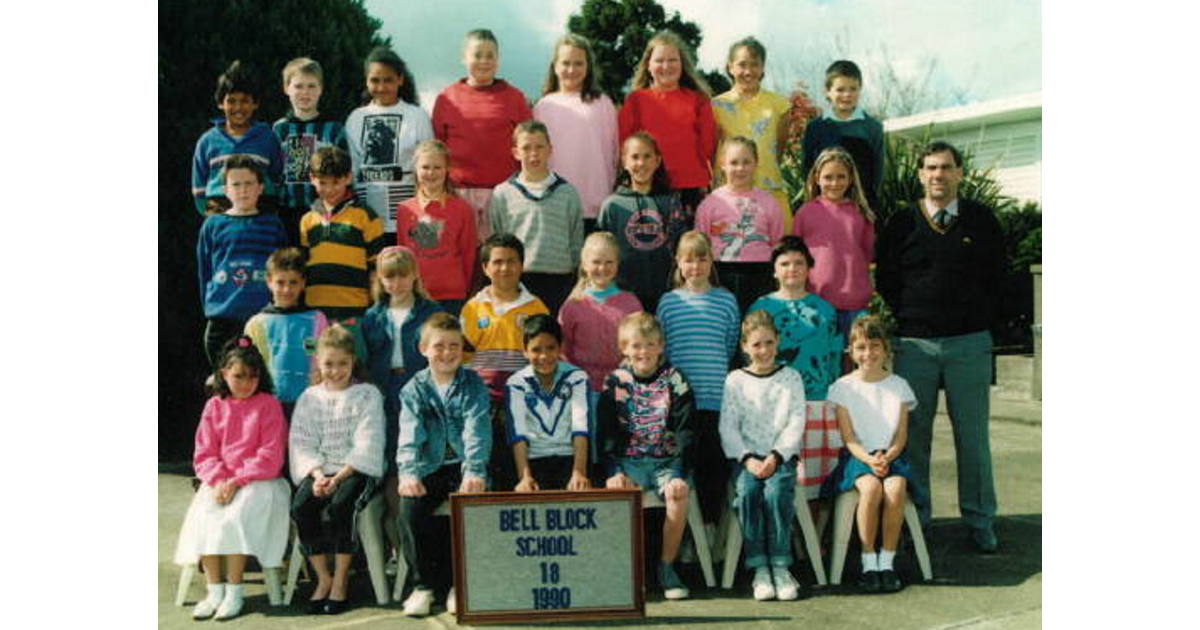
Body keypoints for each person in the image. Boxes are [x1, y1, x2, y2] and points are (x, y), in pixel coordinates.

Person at [875, 141, 1004, 553]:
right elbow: (888, 282)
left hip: (969, 344)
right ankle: (919, 517)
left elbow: (1000, 279)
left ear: (960, 173)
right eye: (931, 168)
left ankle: (980, 519)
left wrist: (981, 323)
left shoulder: (982, 221)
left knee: (973, 439)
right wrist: (914, 318)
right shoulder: (900, 224)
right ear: (920, 174)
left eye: (946, 167)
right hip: (915, 345)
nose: (938, 175)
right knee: (914, 438)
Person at [174, 337, 290, 621]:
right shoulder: (215, 406)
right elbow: (204, 452)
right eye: (238, 376)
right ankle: (214, 590)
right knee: (205, 514)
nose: (246, 382)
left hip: (261, 481)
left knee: (235, 517)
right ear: (223, 374)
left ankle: (234, 590)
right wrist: (219, 480)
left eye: (253, 376)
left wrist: (236, 481)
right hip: (219, 481)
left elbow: (270, 455)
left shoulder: (268, 405)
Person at [395, 313, 492, 617]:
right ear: (423, 349)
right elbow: (409, 434)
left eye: (454, 346)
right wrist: (409, 473)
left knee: (470, 510)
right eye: (439, 346)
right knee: (410, 510)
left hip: (464, 463)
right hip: (431, 466)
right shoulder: (414, 389)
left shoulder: (473, 383)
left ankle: (458, 585)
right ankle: (424, 585)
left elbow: (477, 429)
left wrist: (475, 470)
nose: (447, 353)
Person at [598, 312, 695, 600]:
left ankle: (666, 567)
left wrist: (678, 473)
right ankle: (627, 570)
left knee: (678, 496)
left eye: (651, 344)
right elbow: (605, 432)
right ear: (624, 348)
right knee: (618, 495)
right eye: (637, 345)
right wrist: (613, 470)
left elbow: (685, 429)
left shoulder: (675, 379)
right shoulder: (615, 382)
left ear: (661, 346)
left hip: (666, 462)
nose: (644, 352)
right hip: (628, 462)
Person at [288, 325, 385, 615]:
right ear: (318, 361)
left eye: (343, 363)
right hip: (321, 470)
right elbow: (302, 441)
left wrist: (339, 477)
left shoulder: (367, 394)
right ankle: (324, 578)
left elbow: (368, 441)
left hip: (355, 470)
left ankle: (341, 580)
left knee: (341, 507)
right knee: (302, 507)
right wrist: (317, 476)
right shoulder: (310, 397)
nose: (335, 370)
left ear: (353, 361)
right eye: (329, 363)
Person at [361, 245, 445, 567]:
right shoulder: (372, 317)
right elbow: (364, 360)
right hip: (383, 393)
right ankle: (398, 548)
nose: (396, 283)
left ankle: (425, 548)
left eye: (402, 276)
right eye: (388, 277)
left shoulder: (430, 312)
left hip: (420, 391)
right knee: (393, 471)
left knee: (423, 461)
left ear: (414, 276)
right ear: (380, 280)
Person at [655, 231, 740, 533]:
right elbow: (661, 348)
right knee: (680, 465)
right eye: (688, 260)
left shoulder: (726, 301)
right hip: (678, 403)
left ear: (711, 261)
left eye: (702, 258)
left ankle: (709, 526)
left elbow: (730, 346)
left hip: (716, 398)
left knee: (712, 466)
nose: (695, 266)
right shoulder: (668, 302)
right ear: (678, 262)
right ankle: (683, 535)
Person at [825, 315, 916, 593]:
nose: (869, 354)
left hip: (891, 455)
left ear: (886, 348)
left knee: (896, 486)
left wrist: (887, 456)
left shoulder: (899, 385)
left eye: (875, 346)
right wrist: (869, 459)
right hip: (857, 457)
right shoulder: (842, 388)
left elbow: (901, 435)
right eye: (862, 347)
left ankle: (886, 561)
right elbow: (848, 438)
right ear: (851, 351)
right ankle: (867, 560)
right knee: (871, 489)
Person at [719, 311, 805, 601]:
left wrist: (777, 456)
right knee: (747, 493)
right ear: (744, 346)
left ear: (778, 342)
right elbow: (728, 426)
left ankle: (781, 565)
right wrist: (747, 459)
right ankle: (759, 568)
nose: (764, 350)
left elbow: (796, 420)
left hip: (779, 456)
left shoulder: (791, 377)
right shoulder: (735, 380)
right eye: (756, 344)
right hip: (747, 458)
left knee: (776, 492)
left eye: (769, 343)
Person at [747, 236, 841, 500]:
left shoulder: (825, 310)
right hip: (774, 407)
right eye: (785, 263)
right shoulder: (761, 308)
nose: (792, 269)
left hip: (816, 404)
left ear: (809, 267)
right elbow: (750, 361)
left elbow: (834, 358)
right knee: (779, 481)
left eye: (799, 263)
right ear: (774, 270)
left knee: (814, 483)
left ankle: (811, 539)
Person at [461, 233, 551, 488]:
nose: (505, 268)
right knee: (488, 463)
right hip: (483, 402)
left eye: (512, 261)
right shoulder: (472, 308)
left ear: (522, 265)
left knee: (521, 466)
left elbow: (544, 357)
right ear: (485, 268)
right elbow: (465, 359)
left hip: (523, 400)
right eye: (498, 262)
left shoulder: (536, 307)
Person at [432, 28, 533, 240]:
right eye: (477, 55)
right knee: (463, 256)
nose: (484, 61)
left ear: (498, 59)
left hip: (504, 192)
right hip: (458, 192)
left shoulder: (515, 98)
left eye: (490, 56)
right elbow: (437, 146)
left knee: (499, 257)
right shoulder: (446, 98)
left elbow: (528, 144)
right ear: (464, 57)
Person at [619, 30, 716, 232]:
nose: (666, 66)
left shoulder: (698, 100)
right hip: (649, 187)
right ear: (648, 65)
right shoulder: (636, 100)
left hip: (691, 189)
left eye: (672, 60)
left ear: (682, 64)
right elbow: (624, 145)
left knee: (691, 257)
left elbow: (708, 147)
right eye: (659, 60)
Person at [197, 155, 288, 368]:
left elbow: (284, 270)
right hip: (223, 319)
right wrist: (211, 306)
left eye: (248, 183)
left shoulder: (272, 224)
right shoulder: (213, 225)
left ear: (260, 187)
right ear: (225, 190)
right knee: (227, 382)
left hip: (264, 318)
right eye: (236, 184)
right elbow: (204, 272)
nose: (243, 190)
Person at [299, 145, 385, 359]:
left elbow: (376, 268)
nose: (329, 189)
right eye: (322, 183)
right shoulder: (307, 220)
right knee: (319, 368)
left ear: (348, 178)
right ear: (312, 179)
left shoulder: (365, 216)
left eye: (336, 182)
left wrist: (374, 307)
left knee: (356, 367)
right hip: (316, 311)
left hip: (353, 311)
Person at [533, 33, 619, 233]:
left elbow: (615, 154)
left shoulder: (603, 104)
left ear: (588, 66)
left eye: (579, 63)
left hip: (596, 206)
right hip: (553, 204)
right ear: (555, 66)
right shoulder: (543, 106)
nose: (571, 70)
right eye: (565, 63)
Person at [345, 46, 432, 240]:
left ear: (400, 80)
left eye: (388, 80)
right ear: (366, 81)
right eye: (375, 80)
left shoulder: (417, 116)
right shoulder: (356, 118)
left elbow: (428, 166)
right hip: (366, 217)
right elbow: (352, 167)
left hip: (409, 214)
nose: (382, 87)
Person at [792, 146, 876, 348]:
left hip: (855, 305)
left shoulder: (861, 214)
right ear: (817, 178)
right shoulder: (805, 212)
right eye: (828, 177)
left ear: (850, 179)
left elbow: (867, 255)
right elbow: (795, 256)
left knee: (855, 367)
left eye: (841, 177)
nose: (834, 183)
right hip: (816, 303)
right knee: (823, 364)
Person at [712, 36, 795, 230]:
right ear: (730, 67)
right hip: (729, 196)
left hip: (769, 190)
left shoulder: (779, 106)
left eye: (755, 65)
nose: (748, 71)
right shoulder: (716, 106)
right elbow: (713, 150)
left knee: (778, 253)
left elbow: (779, 149)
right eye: (741, 65)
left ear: (763, 67)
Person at [597, 131, 686, 313]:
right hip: (623, 295)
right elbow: (600, 252)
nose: (641, 163)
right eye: (635, 157)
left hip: (665, 293)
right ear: (624, 161)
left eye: (647, 156)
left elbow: (682, 248)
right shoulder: (612, 206)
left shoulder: (670, 203)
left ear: (657, 160)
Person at [694, 135, 783, 313]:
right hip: (720, 273)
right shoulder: (710, 203)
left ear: (756, 164)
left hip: (760, 275)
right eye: (734, 162)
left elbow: (777, 244)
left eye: (746, 162)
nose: (740, 168)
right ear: (722, 165)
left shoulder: (769, 202)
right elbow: (700, 244)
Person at [505, 314, 591, 492]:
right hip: (533, 460)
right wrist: (525, 477)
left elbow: (581, 427)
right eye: (536, 349)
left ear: (560, 348)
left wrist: (579, 472)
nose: (544, 356)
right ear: (525, 351)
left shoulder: (577, 378)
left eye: (551, 348)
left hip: (570, 458)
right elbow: (518, 434)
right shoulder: (516, 383)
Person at [243, 247, 329, 418]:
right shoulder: (256, 324)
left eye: (293, 282)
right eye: (280, 282)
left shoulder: (317, 319)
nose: (287, 289)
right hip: (269, 407)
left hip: (311, 405)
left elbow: (325, 358)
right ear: (269, 281)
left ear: (303, 282)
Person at [395, 140, 477, 316]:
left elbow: (469, 255)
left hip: (452, 297)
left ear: (447, 169)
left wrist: (464, 291)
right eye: (425, 167)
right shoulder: (404, 209)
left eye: (437, 167)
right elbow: (403, 256)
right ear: (415, 170)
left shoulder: (462, 209)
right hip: (416, 296)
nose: (431, 173)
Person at [273, 57, 349, 246]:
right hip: (287, 214)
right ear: (286, 88)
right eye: (298, 86)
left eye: (311, 86)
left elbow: (345, 173)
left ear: (321, 89)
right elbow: (273, 173)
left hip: (325, 212)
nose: (305, 92)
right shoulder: (279, 130)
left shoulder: (333, 129)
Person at [192, 60, 283, 216]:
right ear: (221, 103)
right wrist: (208, 213)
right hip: (219, 209)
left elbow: (277, 176)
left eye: (245, 101)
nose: (238, 108)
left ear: (255, 104)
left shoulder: (268, 138)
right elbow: (199, 183)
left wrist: (270, 205)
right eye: (231, 101)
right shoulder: (207, 141)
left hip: (260, 209)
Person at [558, 231, 644, 393]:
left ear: (618, 263)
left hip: (620, 390)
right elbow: (563, 350)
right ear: (584, 264)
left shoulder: (631, 304)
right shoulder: (572, 305)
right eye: (596, 262)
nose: (602, 268)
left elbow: (640, 346)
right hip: (580, 390)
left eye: (609, 262)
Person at [800, 60, 884, 212]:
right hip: (824, 209)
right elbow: (807, 170)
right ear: (828, 91)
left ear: (860, 89)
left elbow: (878, 172)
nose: (847, 95)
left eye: (853, 89)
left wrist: (867, 206)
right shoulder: (815, 128)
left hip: (861, 208)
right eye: (840, 89)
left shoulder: (872, 128)